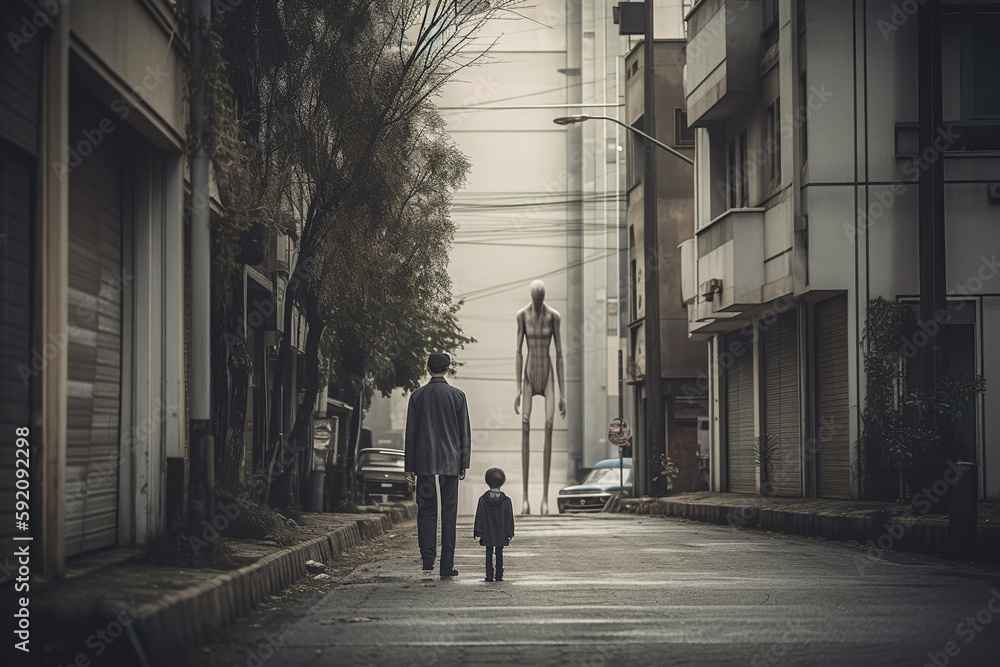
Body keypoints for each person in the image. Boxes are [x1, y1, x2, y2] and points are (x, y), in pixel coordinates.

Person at [404, 352, 471, 578]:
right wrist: (464, 462)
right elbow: (464, 434)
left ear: (428, 368)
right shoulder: (458, 396)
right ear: (448, 368)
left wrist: (409, 467)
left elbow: (411, 434)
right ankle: (447, 564)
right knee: (449, 513)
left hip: (424, 463)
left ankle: (427, 561)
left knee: (426, 510)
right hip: (451, 462)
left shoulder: (417, 396)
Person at [474, 468, 515, 582]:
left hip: (488, 533)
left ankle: (489, 575)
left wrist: (478, 532)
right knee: (499, 553)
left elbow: (479, 517)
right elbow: (509, 518)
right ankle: (499, 575)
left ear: (487, 481)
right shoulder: (506, 501)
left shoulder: (483, 500)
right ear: (502, 482)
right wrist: (509, 532)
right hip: (501, 533)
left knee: (488, 553)